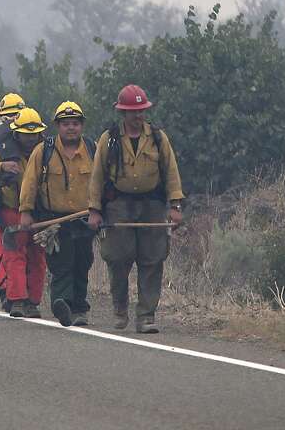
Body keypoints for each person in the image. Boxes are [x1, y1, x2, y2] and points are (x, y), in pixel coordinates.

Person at [88, 84, 184, 333]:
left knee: (153, 259)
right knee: (117, 259)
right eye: (133, 111)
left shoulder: (158, 138)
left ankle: (146, 316)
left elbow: (171, 172)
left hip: (152, 206)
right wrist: (94, 210)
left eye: (141, 110)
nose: (138, 115)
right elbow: (97, 176)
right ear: (123, 112)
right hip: (118, 206)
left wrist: (175, 205)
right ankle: (120, 308)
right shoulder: (108, 139)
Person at [19, 101, 95, 326]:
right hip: (54, 221)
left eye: (75, 123)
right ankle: (61, 302)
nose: (71, 128)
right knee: (61, 263)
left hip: (84, 219)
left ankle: (79, 308)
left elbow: (102, 182)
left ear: (81, 126)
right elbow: (30, 182)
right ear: (57, 126)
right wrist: (26, 212)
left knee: (82, 262)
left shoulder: (92, 149)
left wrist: (100, 211)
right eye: (65, 124)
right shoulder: (44, 151)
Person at [0, 107, 48, 317]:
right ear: (16, 133)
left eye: (34, 134)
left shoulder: (48, 150)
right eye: (26, 135)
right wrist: (2, 167)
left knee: (38, 257)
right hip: (11, 208)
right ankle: (17, 300)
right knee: (14, 255)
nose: (30, 139)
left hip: (40, 212)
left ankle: (33, 302)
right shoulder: (1, 148)